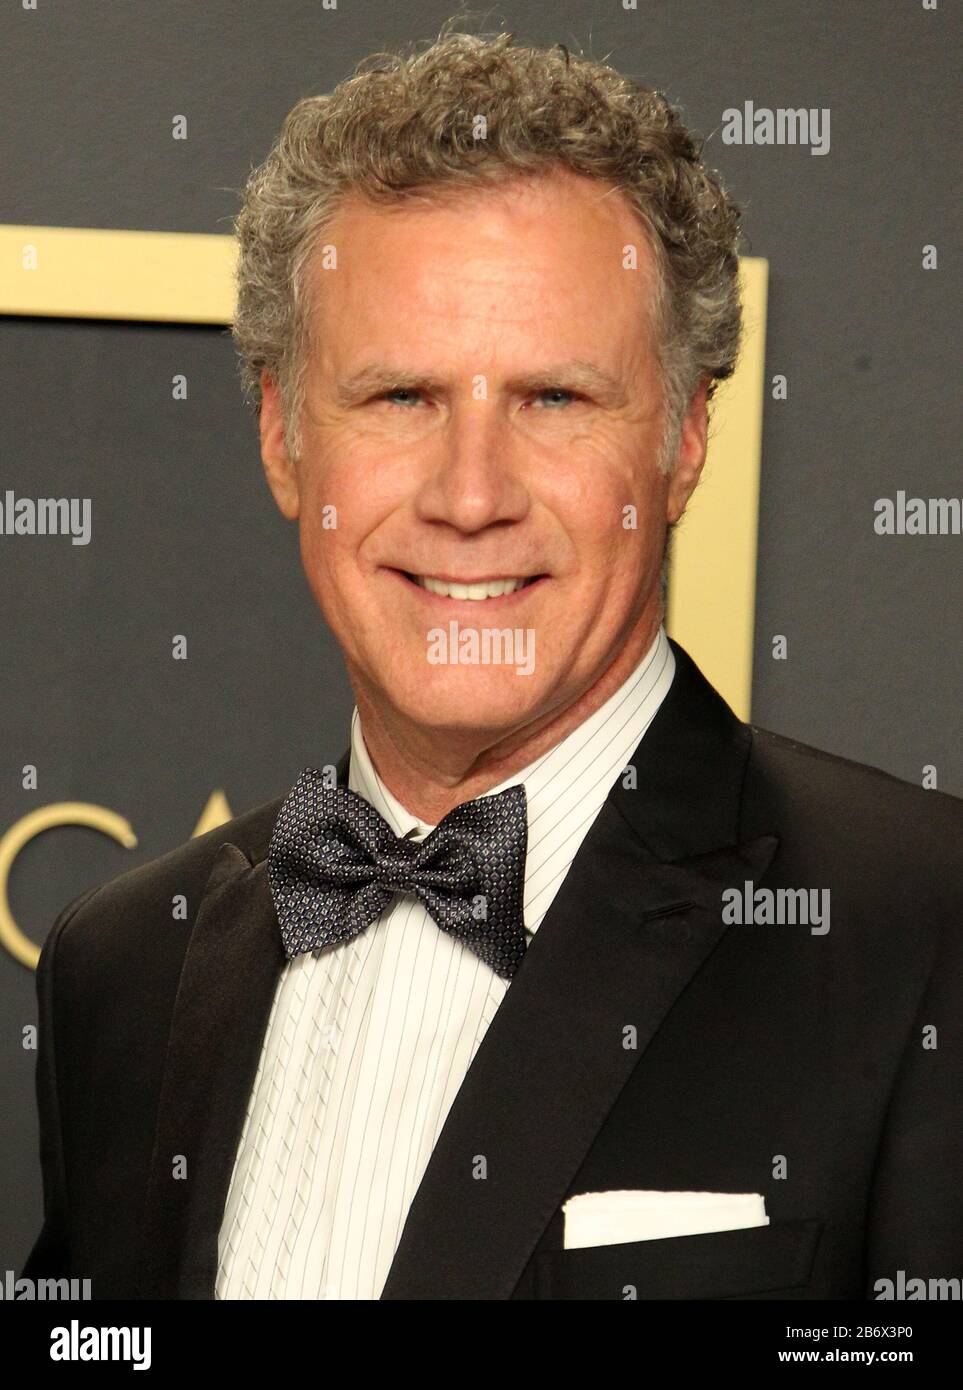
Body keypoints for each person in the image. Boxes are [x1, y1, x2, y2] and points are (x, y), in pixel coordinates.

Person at [23, 29, 962, 1300]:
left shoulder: (922, 933)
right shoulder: (123, 969)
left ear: (686, 439)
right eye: (401, 395)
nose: (472, 497)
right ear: (282, 436)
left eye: (555, 400)